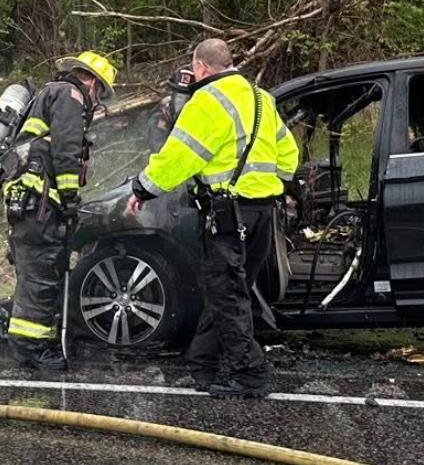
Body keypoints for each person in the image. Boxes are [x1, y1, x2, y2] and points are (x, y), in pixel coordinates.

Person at [125, 39, 297, 398]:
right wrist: (269, 182)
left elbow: (179, 157)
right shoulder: (262, 99)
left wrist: (142, 189)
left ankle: (248, 374)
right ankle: (201, 362)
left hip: (228, 217)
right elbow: (288, 154)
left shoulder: (207, 101)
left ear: (200, 67)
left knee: (228, 294)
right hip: (263, 214)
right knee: (228, 292)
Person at [2, 51, 118, 370]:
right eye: (100, 93)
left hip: (29, 201)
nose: (97, 101)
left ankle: (28, 337)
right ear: (91, 82)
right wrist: (69, 198)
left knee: (37, 271)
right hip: (39, 202)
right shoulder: (69, 95)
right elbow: (66, 150)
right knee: (42, 271)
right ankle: (30, 348)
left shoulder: (50, 93)